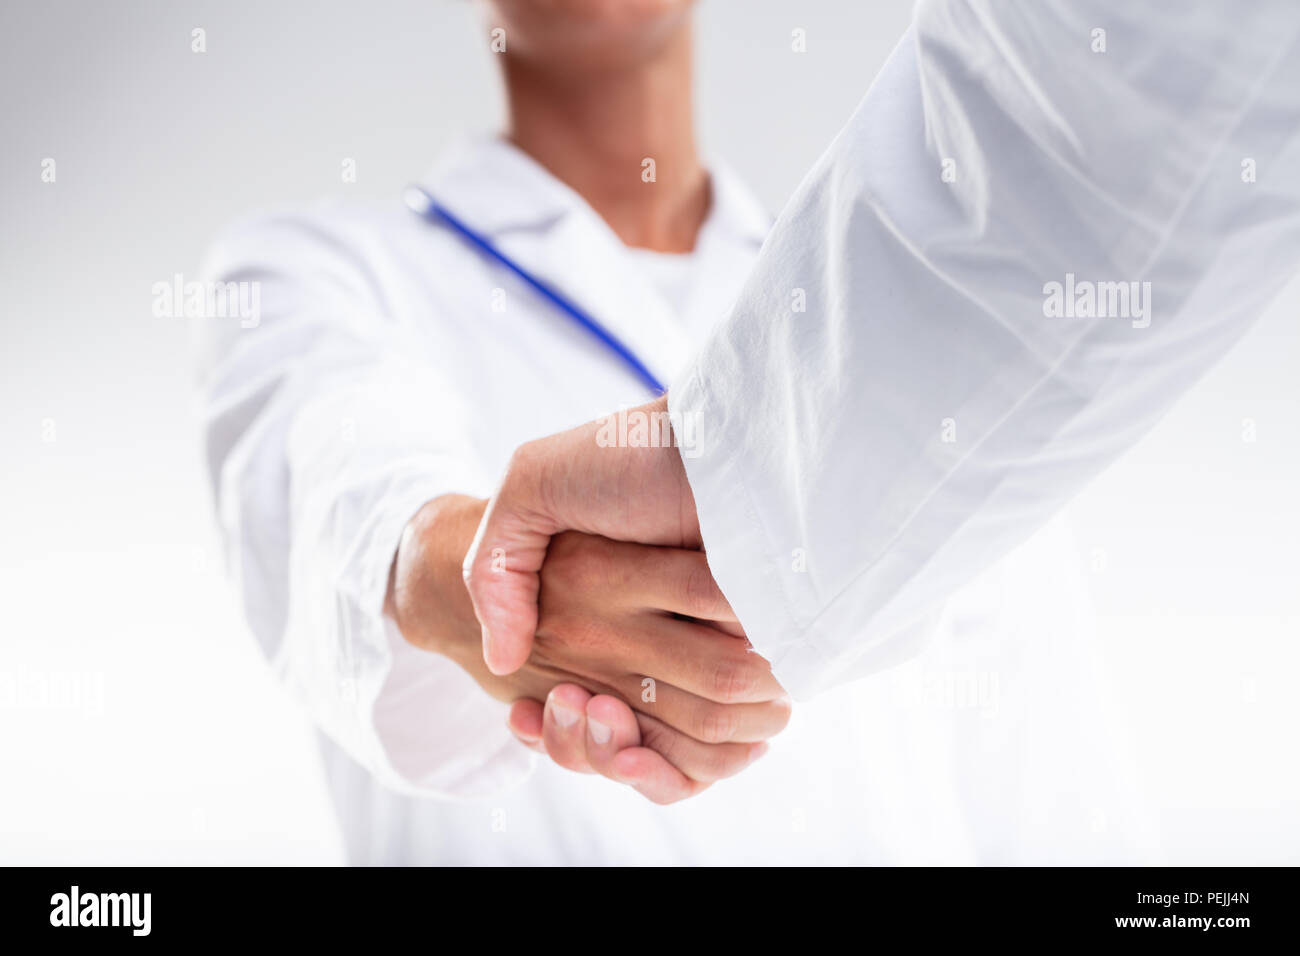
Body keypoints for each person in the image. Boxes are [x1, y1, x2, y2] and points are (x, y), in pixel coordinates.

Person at [199, 0, 1154, 864]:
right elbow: (345, 506)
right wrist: (477, 578)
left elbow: (1049, 778)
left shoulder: (896, 309)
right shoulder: (314, 269)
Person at [465, 0, 1300, 829]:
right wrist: (463, 581)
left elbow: (1051, 778)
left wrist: (717, 475)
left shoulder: (826, 275)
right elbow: (354, 551)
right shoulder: (346, 266)